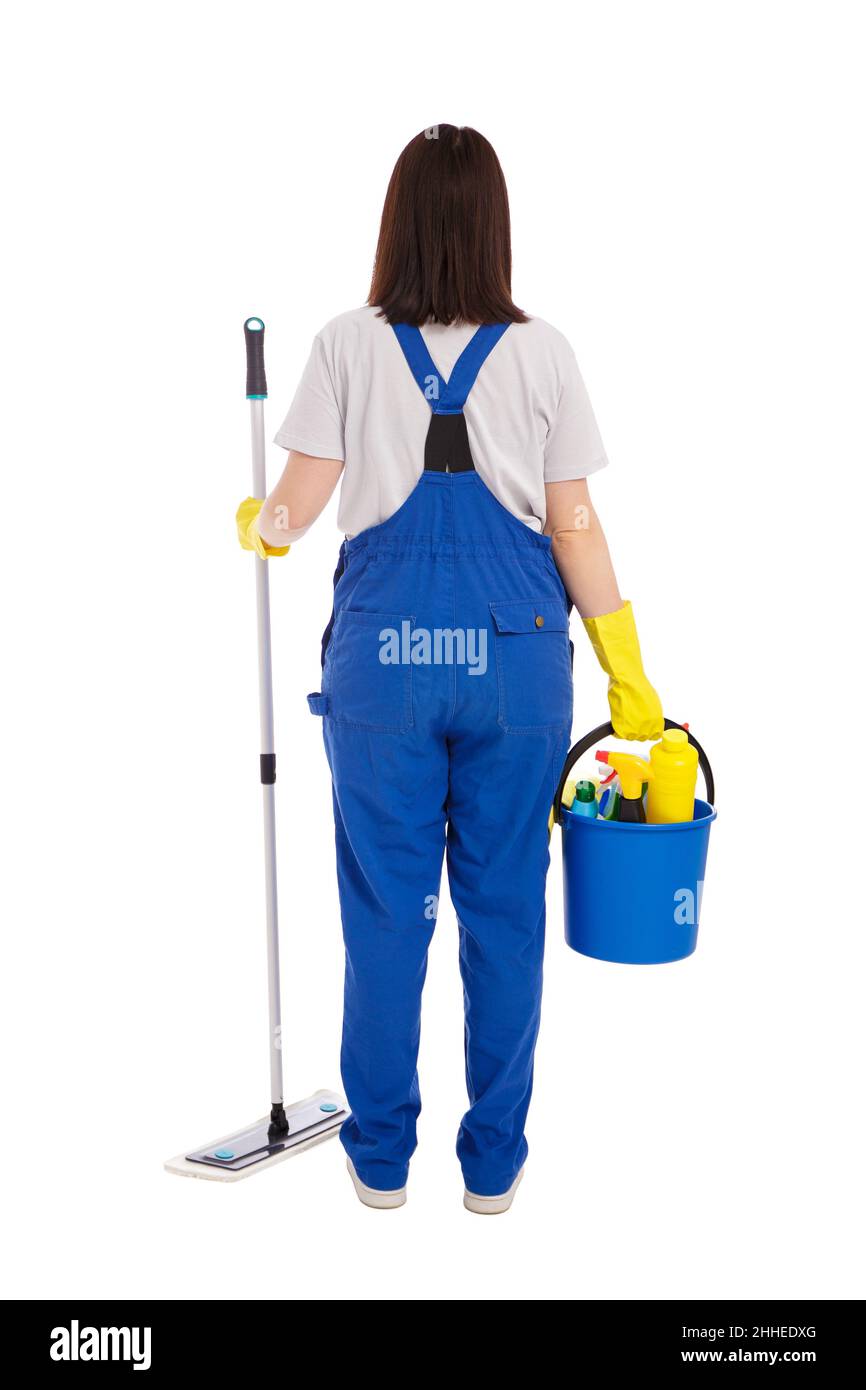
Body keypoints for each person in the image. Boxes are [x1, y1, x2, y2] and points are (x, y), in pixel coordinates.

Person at [237, 125, 662, 1214]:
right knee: (504, 912)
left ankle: (379, 1162)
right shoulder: (544, 353)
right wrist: (624, 668)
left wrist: (263, 520)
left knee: (386, 914)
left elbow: (300, 502)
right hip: (515, 666)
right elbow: (571, 522)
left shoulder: (343, 343)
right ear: (493, 225)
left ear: (396, 220)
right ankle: (491, 1169)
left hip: (383, 664)